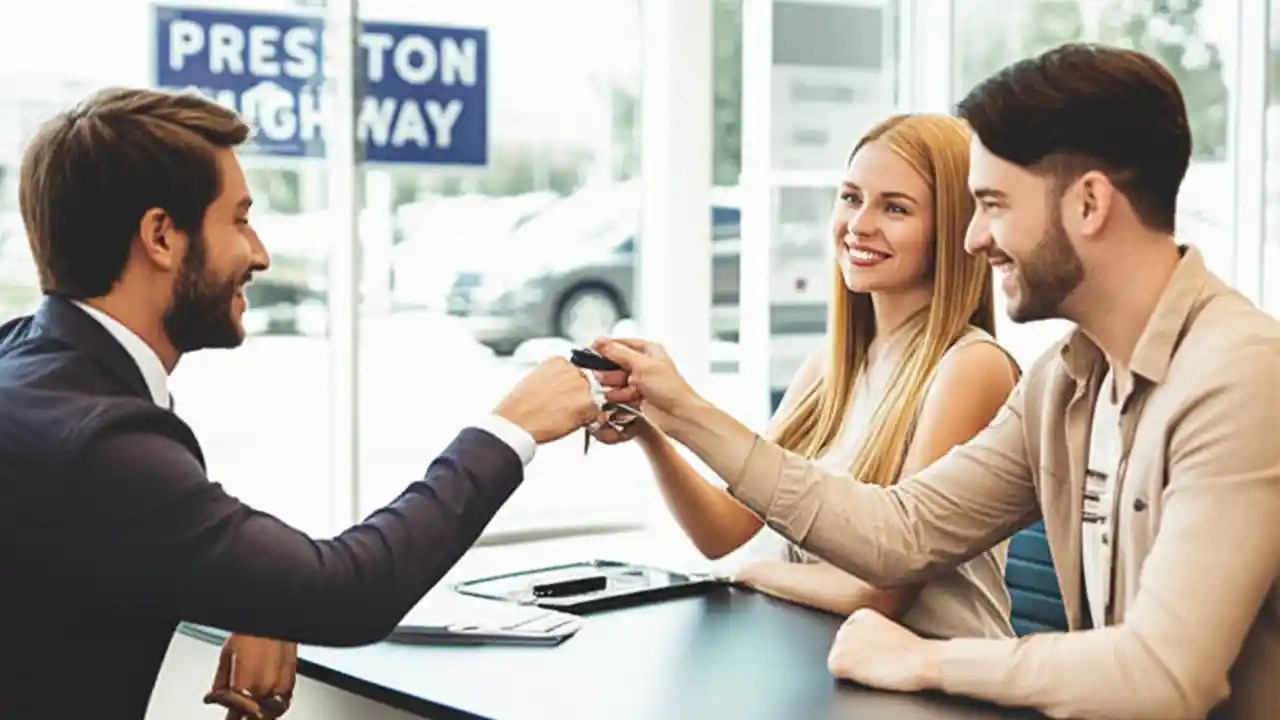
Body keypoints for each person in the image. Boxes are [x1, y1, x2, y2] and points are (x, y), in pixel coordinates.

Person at [593, 42, 1280, 720]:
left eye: (994, 204)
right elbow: (900, 532)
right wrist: (679, 414)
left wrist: (924, 660)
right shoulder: (1063, 383)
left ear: (1089, 204)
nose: (975, 238)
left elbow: (1164, 676)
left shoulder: (1242, 376)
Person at [0, 87, 634, 719]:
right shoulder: (94, 444)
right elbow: (347, 593)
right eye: (240, 219)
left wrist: (259, 592)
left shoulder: (28, 368)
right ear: (161, 236)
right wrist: (511, 428)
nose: (260, 253)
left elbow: (140, 543)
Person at [592, 114, 1019, 640]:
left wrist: (754, 572)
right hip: (841, 663)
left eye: (895, 207)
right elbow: (723, 529)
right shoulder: (831, 366)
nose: (859, 223)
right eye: (850, 197)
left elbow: (880, 592)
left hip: (945, 690)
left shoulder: (972, 367)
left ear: (954, 229)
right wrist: (651, 431)